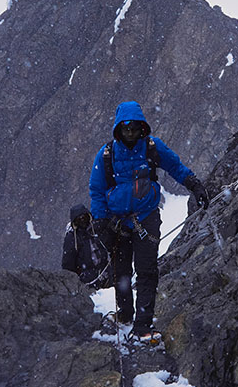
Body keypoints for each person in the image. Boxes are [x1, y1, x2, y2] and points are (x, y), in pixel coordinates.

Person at [89, 101, 209, 344]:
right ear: (118, 129)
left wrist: (194, 185)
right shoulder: (107, 154)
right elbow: (97, 190)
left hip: (146, 219)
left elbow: (175, 166)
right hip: (117, 223)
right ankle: (125, 315)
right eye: (126, 128)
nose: (130, 133)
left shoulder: (151, 147)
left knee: (146, 270)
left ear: (141, 128)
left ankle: (142, 324)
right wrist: (101, 222)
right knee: (122, 271)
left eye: (134, 128)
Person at [61, 203, 112, 288]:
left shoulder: (95, 229)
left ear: (88, 217)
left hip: (106, 271)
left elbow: (109, 245)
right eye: (79, 219)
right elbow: (67, 264)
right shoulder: (72, 238)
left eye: (84, 217)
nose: (82, 221)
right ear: (74, 222)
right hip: (87, 278)